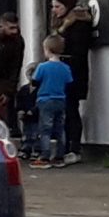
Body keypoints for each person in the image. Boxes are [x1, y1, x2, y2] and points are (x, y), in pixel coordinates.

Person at [48, 0, 95, 164]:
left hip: (72, 73)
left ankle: (74, 148)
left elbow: (79, 51)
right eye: (53, 7)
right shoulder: (60, 23)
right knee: (63, 110)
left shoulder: (79, 24)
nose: (54, 10)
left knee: (71, 109)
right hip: (62, 71)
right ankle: (64, 147)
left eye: (57, 6)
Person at [29, 35, 73, 170]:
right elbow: (69, 82)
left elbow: (35, 81)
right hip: (60, 99)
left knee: (45, 129)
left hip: (45, 99)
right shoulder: (65, 68)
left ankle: (45, 156)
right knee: (60, 129)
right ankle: (60, 157)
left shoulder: (42, 67)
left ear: (47, 50)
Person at [0, 12, 22, 141]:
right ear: (1, 26)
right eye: (11, 28)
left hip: (2, 81)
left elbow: (16, 67)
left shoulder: (17, 41)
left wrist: (9, 91)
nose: (14, 31)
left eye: (16, 27)